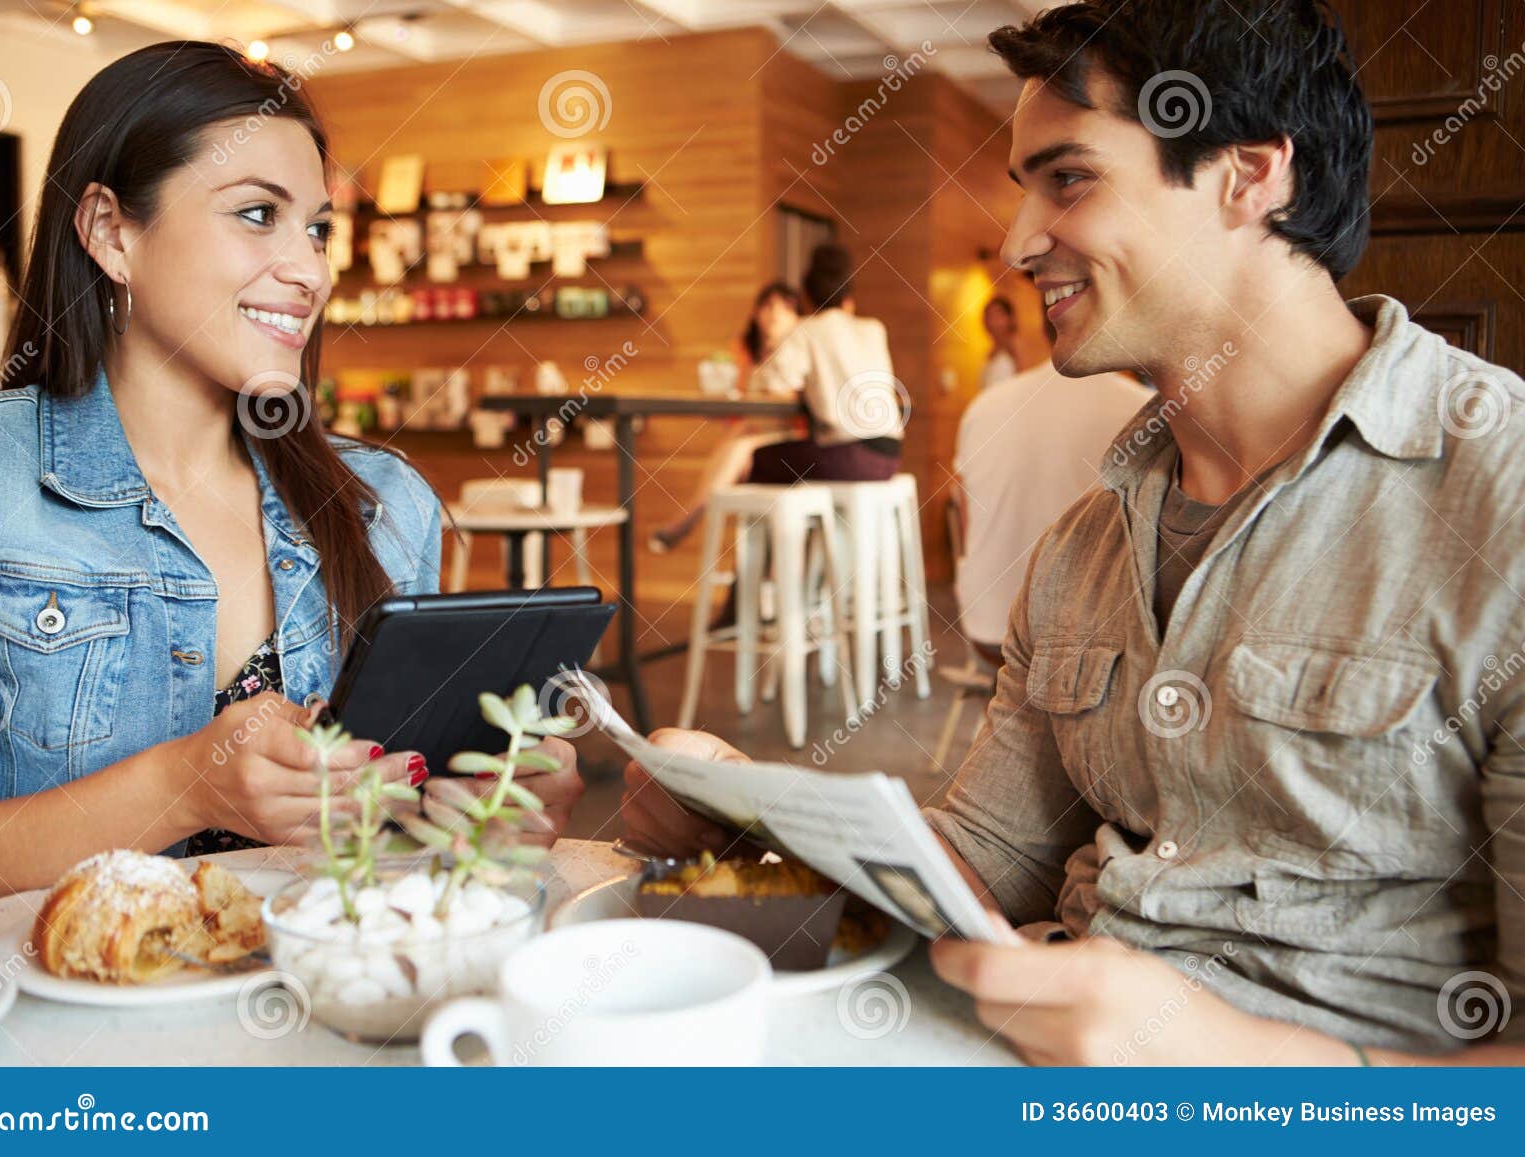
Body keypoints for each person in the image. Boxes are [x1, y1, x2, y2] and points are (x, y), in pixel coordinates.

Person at [620, 0, 1525, 1065]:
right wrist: (749, 825)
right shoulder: (1083, 544)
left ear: (1249, 175)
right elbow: (976, 865)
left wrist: (1231, 1059)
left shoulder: (1495, 495)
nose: (1015, 244)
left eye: (1070, 177)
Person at [0, 42, 582, 912]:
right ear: (110, 232)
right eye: (256, 215)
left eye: (316, 228)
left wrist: (491, 816)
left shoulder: (385, 504)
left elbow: (396, 864)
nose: (310, 270)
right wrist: (182, 785)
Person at [954, 319, 1152, 662]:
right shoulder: (1144, 410)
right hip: (1093, 642)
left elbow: (964, 518)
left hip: (987, 623)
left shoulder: (983, 406)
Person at [648, 282, 804, 553]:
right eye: (769, 306)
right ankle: (695, 511)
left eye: (785, 308)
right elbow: (740, 403)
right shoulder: (750, 352)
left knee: (742, 440)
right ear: (757, 312)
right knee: (741, 435)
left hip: (790, 442)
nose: (775, 314)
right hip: (754, 435)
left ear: (797, 315)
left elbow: (794, 400)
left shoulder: (801, 350)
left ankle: (691, 514)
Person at [744, 243, 905, 484]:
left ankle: (784, 522)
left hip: (849, 456)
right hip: (891, 454)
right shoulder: (874, 329)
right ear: (847, 297)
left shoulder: (807, 330)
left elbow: (772, 385)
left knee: (756, 459)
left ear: (806, 294)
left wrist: (780, 337)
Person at [979, 295, 1040, 388]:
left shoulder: (1017, 346)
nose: (992, 321)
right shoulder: (992, 351)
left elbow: (1025, 381)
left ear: (1010, 318)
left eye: (997, 315)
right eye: (989, 315)